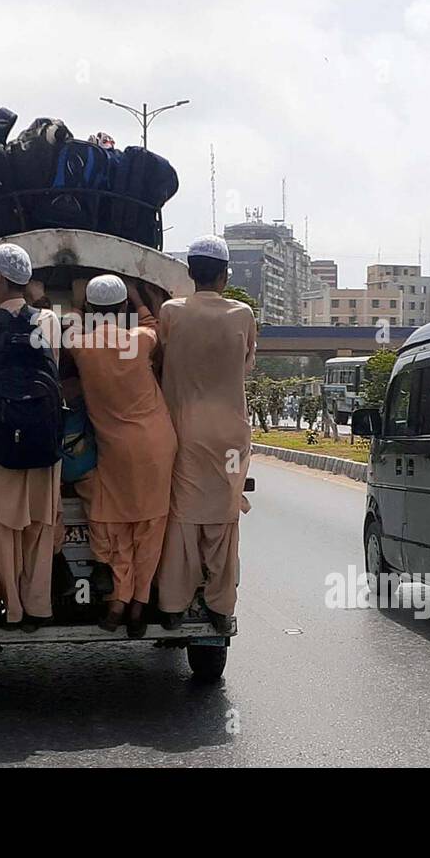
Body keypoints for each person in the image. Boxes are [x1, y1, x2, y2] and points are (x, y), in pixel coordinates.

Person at [155, 235, 256, 634]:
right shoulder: (243, 314)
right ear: (225, 274)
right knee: (224, 516)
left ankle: (174, 603)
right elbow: (246, 363)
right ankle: (220, 603)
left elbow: (160, 355)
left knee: (183, 515)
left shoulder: (170, 312)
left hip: (182, 430)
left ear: (189, 273)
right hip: (230, 434)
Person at [65, 274, 177, 636]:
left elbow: (67, 322)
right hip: (156, 442)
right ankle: (139, 603)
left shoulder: (79, 345)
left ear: (92, 310)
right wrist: (139, 298)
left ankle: (119, 597)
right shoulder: (140, 340)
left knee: (117, 523)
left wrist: (77, 303)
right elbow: (153, 325)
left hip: (112, 448)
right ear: (123, 309)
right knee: (150, 522)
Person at [0, 243, 62, 631]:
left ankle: (14, 608)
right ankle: (39, 607)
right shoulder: (50, 323)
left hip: (1, 439)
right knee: (41, 523)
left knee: (5, 525)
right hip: (44, 439)